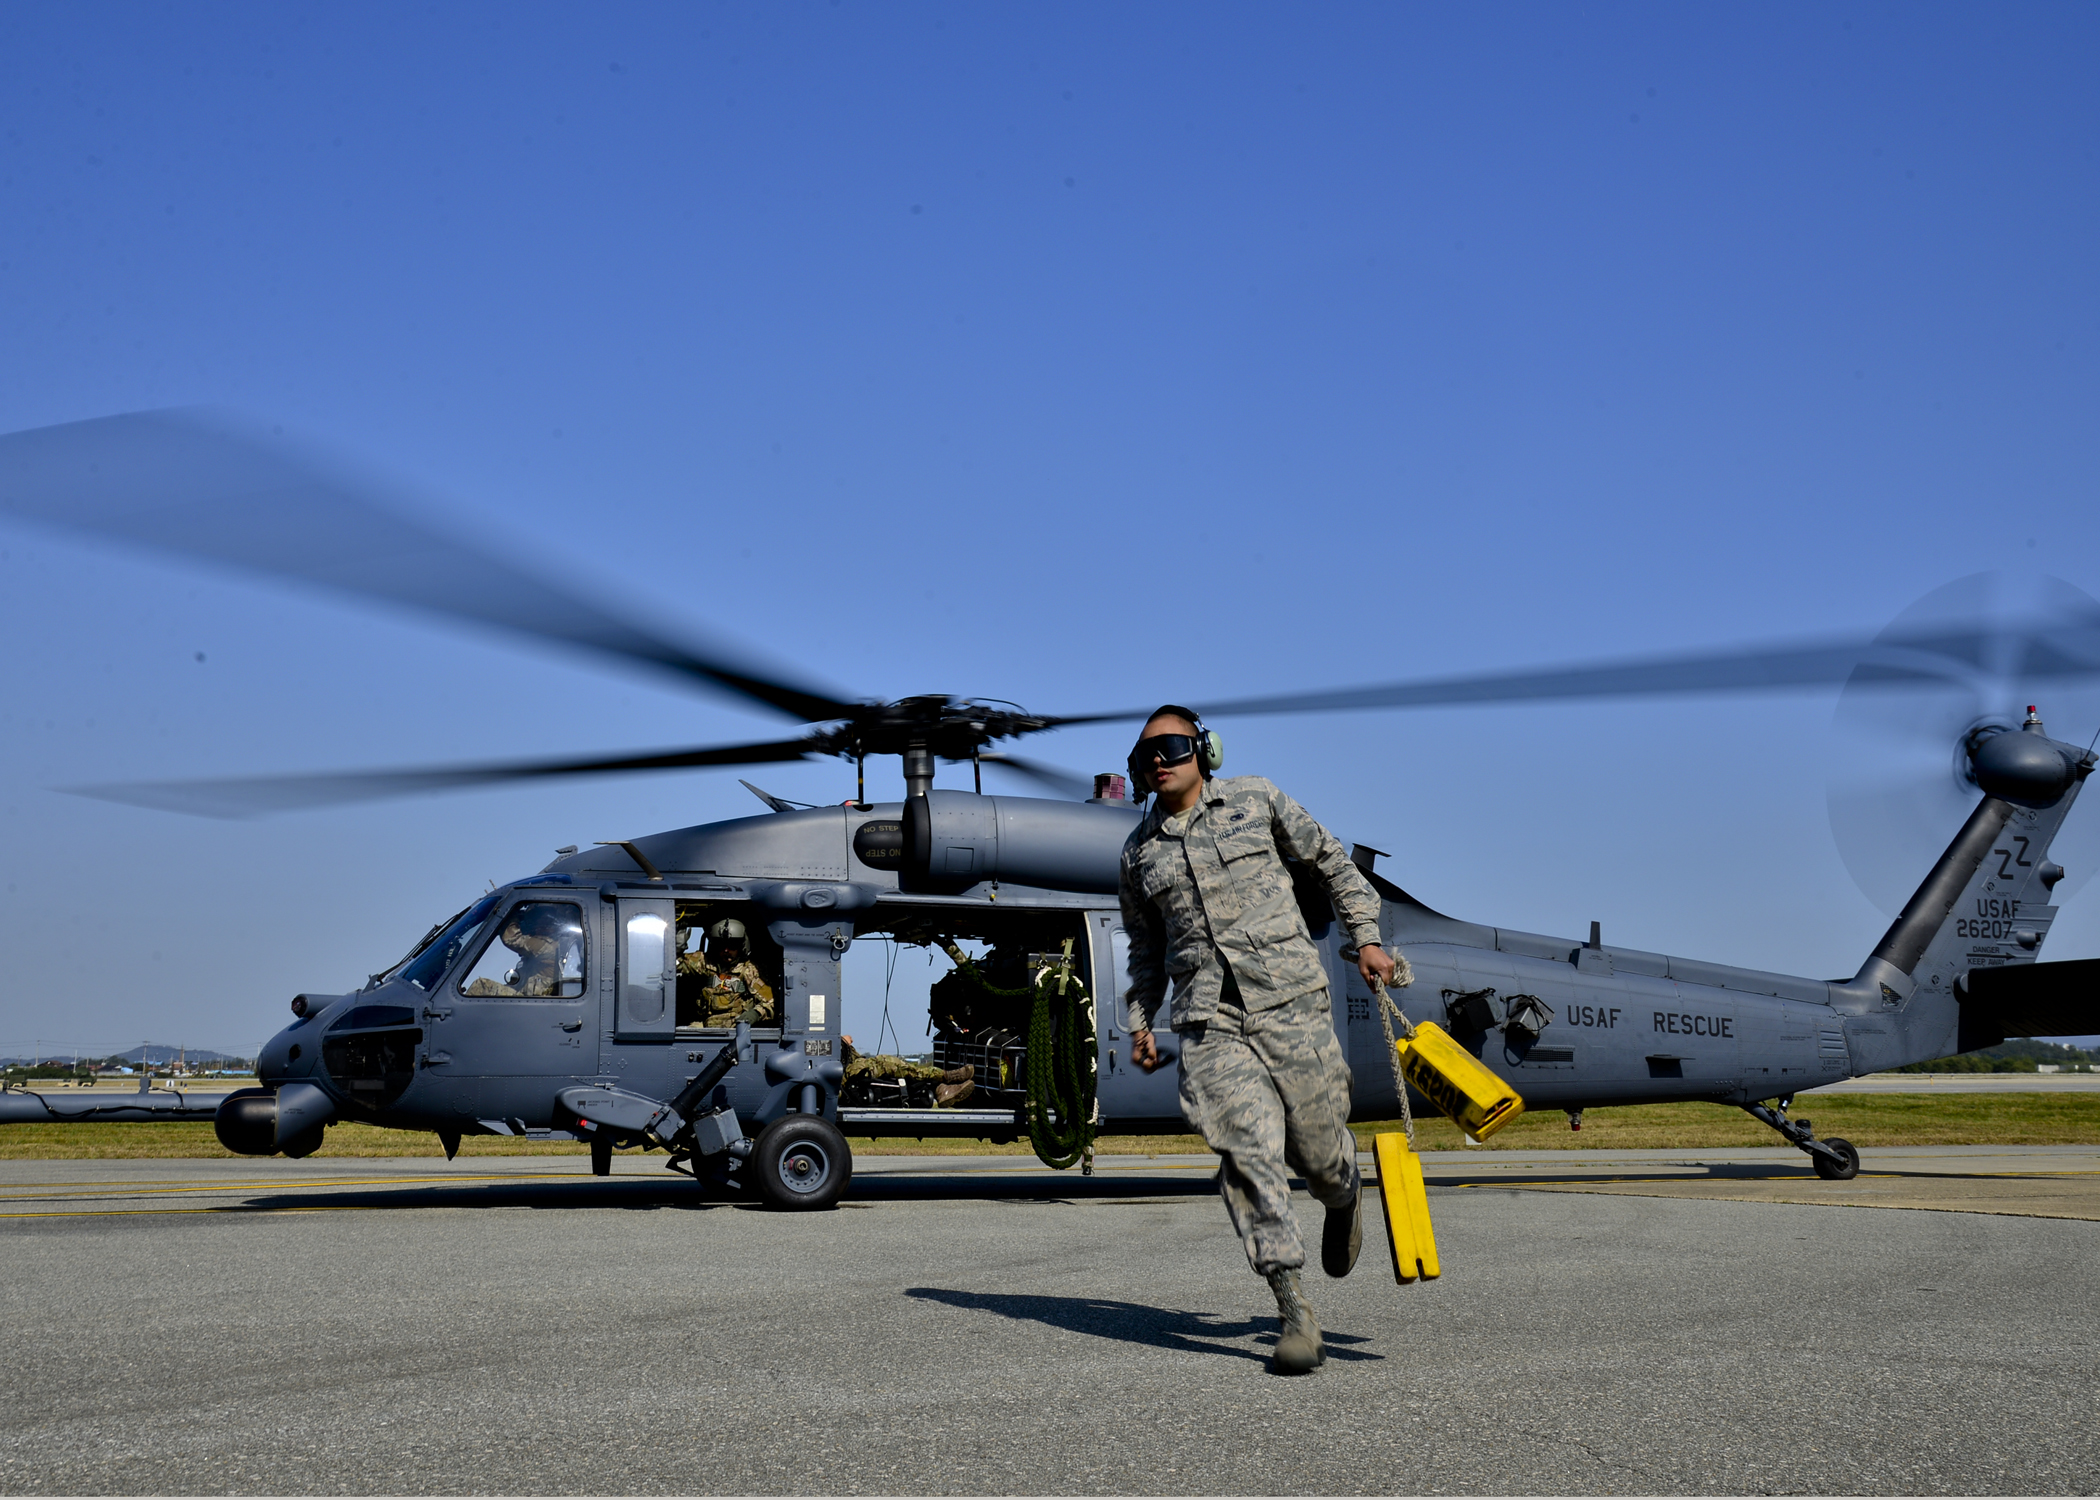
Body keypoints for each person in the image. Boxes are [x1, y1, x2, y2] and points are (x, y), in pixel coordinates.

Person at [1119, 705, 1404, 1376]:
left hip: (1292, 1003)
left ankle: (1343, 1193)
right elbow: (1144, 950)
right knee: (1246, 1153)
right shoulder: (1137, 854)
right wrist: (1140, 1020)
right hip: (1212, 1022)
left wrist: (1364, 936)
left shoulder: (1257, 797)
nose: (1160, 760)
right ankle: (1295, 1310)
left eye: (1174, 746)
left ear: (1205, 751)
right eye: (1146, 755)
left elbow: (1333, 862)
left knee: (1318, 1151)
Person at [677, 918, 778, 1027]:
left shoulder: (749, 970)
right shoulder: (705, 961)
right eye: (721, 945)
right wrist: (677, 948)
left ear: (742, 946)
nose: (726, 950)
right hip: (705, 1025)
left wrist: (755, 1014)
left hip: (735, 1028)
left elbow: (771, 1003)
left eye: (733, 945)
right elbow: (675, 966)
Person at [839, 1036, 977, 1106]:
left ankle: (940, 1089)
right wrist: (842, 1042)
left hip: (848, 1072)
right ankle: (946, 1077)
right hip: (843, 1077)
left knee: (899, 1078)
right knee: (887, 1063)